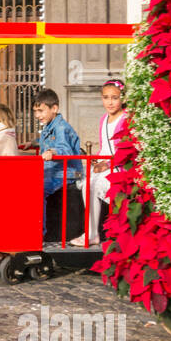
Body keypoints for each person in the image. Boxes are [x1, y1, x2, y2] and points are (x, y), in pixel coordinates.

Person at [70, 79, 128, 247]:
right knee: (88, 184)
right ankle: (92, 232)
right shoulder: (104, 119)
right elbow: (104, 147)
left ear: (122, 98)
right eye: (106, 97)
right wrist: (97, 160)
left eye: (114, 98)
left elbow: (126, 150)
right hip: (108, 165)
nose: (110, 102)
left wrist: (108, 164)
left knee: (97, 185)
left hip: (120, 167)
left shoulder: (126, 119)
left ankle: (94, 233)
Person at [35, 88, 85, 242]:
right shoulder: (49, 127)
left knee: (38, 190)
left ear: (54, 109)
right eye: (36, 111)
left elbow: (65, 149)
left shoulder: (61, 127)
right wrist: (32, 143)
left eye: (41, 111)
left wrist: (52, 152)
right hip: (54, 172)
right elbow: (47, 141)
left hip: (66, 173)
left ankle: (40, 232)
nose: (38, 115)